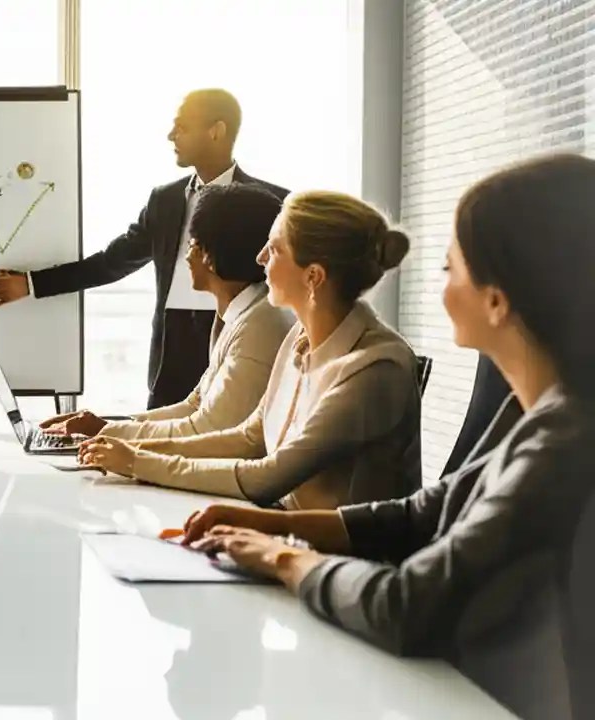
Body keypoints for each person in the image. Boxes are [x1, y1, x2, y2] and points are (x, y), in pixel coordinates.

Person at [181, 154, 595, 720]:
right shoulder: (535, 414)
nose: (441, 281)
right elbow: (424, 512)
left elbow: (405, 603)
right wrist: (277, 524)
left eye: (452, 267)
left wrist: (281, 558)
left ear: (498, 300)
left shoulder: (565, 442)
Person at [79, 190, 421, 510]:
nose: (259, 259)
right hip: (283, 533)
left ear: (313, 276)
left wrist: (137, 461)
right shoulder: (298, 339)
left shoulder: (375, 368)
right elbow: (249, 438)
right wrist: (130, 451)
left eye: (273, 250)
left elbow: (267, 478)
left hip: (338, 560)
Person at [0, 89, 287, 409]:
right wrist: (30, 284)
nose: (170, 135)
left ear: (216, 131)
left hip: (241, 340)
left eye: (182, 127)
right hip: (172, 355)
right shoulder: (164, 201)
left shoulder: (271, 204)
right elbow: (112, 262)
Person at [38, 184, 293, 441]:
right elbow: (194, 405)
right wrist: (104, 424)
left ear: (211, 256)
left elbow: (207, 428)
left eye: (192, 244)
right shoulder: (239, 313)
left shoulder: (258, 327)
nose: (186, 257)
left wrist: (107, 432)